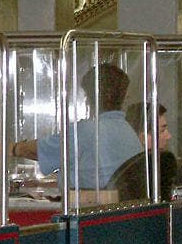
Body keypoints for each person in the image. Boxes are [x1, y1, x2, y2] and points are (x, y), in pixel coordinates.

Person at [13, 62, 141, 190]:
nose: (86, 100)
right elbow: (89, 179)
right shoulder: (128, 131)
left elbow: (40, 151)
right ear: (124, 97)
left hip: (94, 206)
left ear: (93, 97)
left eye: (86, 95)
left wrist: (13, 148)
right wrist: (41, 184)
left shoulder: (87, 131)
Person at [125, 102, 182, 195]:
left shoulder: (126, 171)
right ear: (143, 138)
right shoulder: (165, 168)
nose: (168, 136)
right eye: (162, 131)